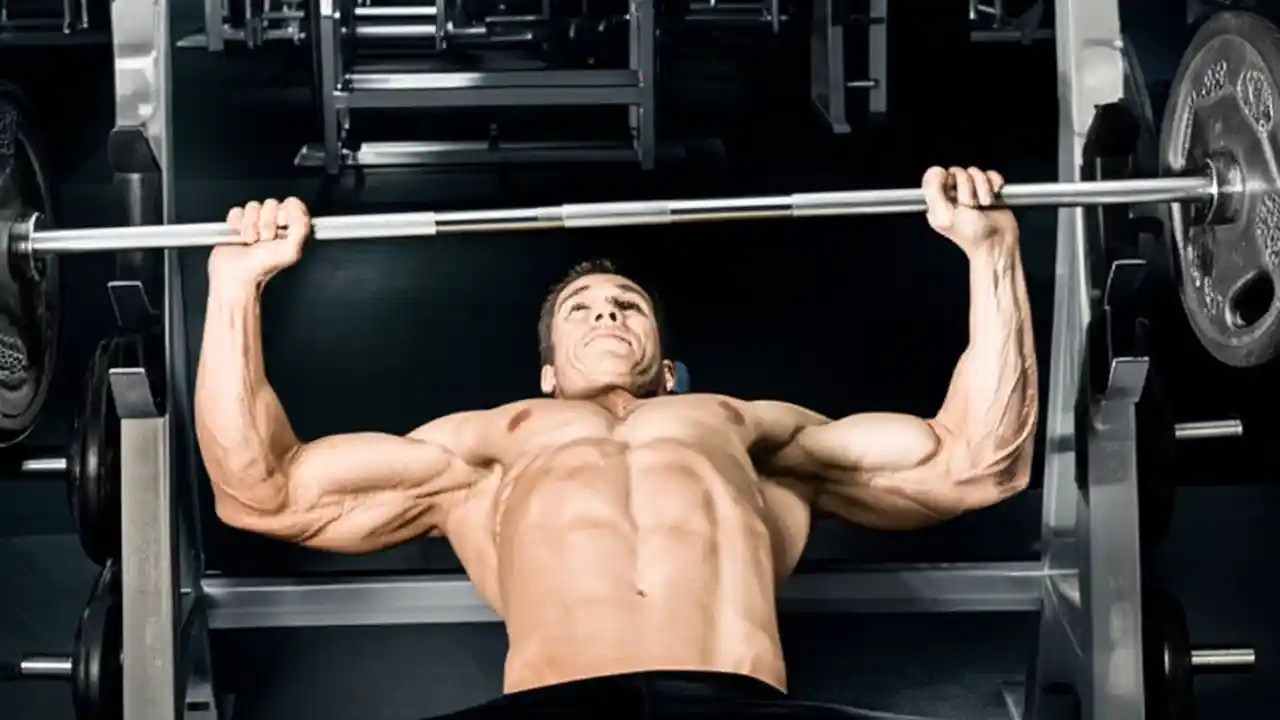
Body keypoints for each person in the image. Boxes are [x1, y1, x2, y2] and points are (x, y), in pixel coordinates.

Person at [194, 166, 1037, 719]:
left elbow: (976, 462)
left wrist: (991, 253)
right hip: (553, 705)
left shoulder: (746, 429)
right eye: (582, 307)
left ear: (668, 369)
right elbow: (262, 490)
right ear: (548, 376)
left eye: (627, 303)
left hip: (736, 701)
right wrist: (235, 288)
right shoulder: (482, 451)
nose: (605, 311)